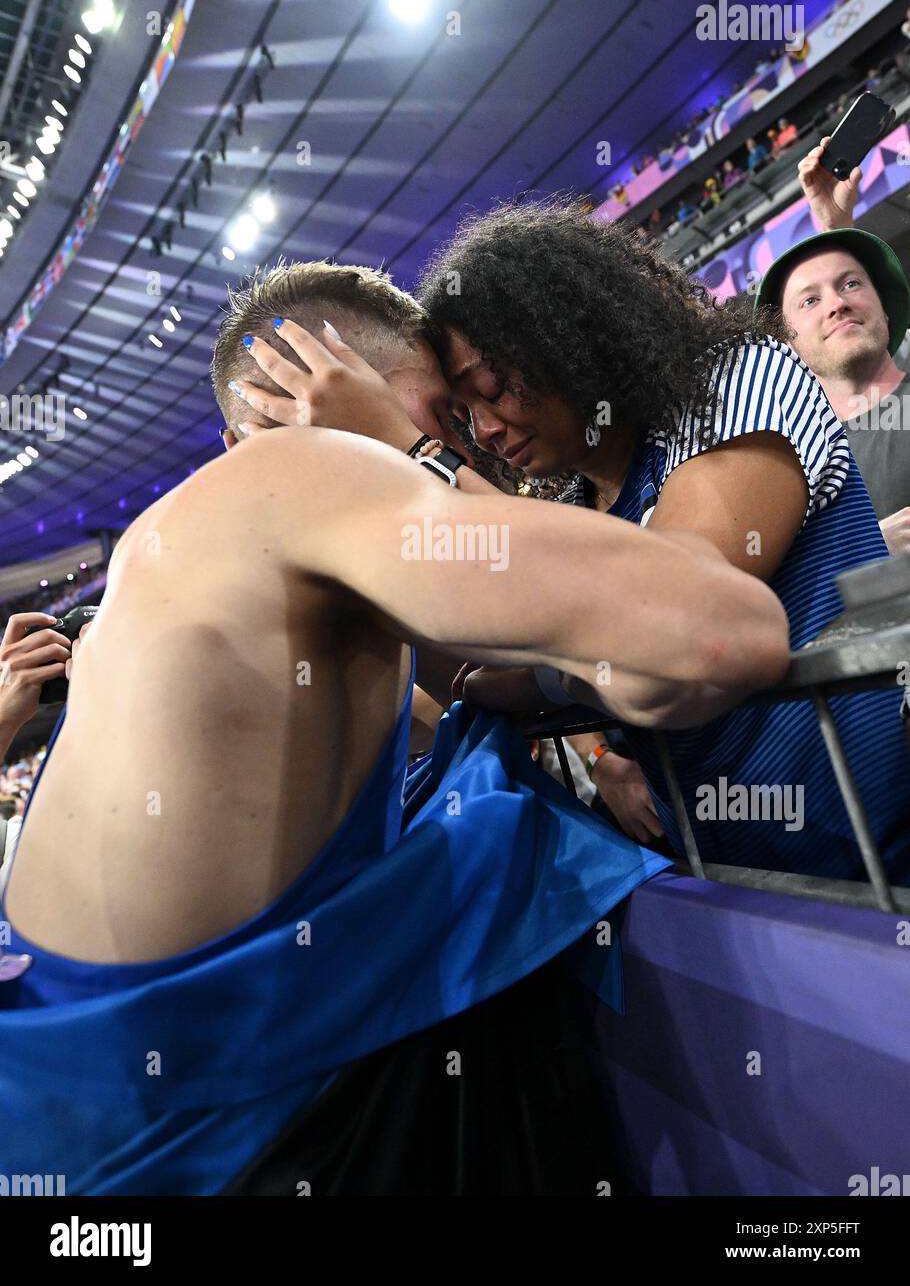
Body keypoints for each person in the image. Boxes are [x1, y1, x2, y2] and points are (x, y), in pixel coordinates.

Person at [0, 267, 789, 1195]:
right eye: (446, 415)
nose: (475, 441)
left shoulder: (181, 557)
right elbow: (713, 630)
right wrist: (402, 446)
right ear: (332, 382)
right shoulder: (307, 473)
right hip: (213, 1142)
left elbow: (525, 678)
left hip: (86, 1131)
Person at [400, 200, 910, 877]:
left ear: (564, 332)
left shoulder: (737, 380)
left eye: (491, 386)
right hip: (750, 885)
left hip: (886, 847)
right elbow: (485, 669)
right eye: (463, 417)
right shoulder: (576, 509)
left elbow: (666, 608)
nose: (485, 430)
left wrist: (416, 458)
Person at [759, 134, 910, 550]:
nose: (837, 304)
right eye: (810, 301)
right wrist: (866, 552)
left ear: (885, 306)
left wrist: (835, 226)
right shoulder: (794, 472)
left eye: (851, 284)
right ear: (786, 345)